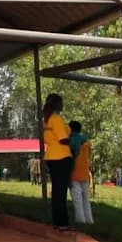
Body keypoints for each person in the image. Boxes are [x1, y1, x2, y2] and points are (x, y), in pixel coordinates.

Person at [43, 93, 72, 231]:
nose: (63, 104)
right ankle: (63, 223)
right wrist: (71, 140)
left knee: (56, 190)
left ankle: (57, 221)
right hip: (61, 156)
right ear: (56, 104)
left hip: (51, 157)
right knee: (61, 191)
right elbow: (63, 139)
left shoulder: (47, 119)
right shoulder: (56, 118)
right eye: (61, 102)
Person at [69, 120, 93, 225]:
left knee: (77, 200)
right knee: (85, 199)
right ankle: (89, 220)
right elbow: (88, 156)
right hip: (85, 174)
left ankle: (81, 221)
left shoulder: (70, 142)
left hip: (74, 174)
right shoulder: (87, 143)